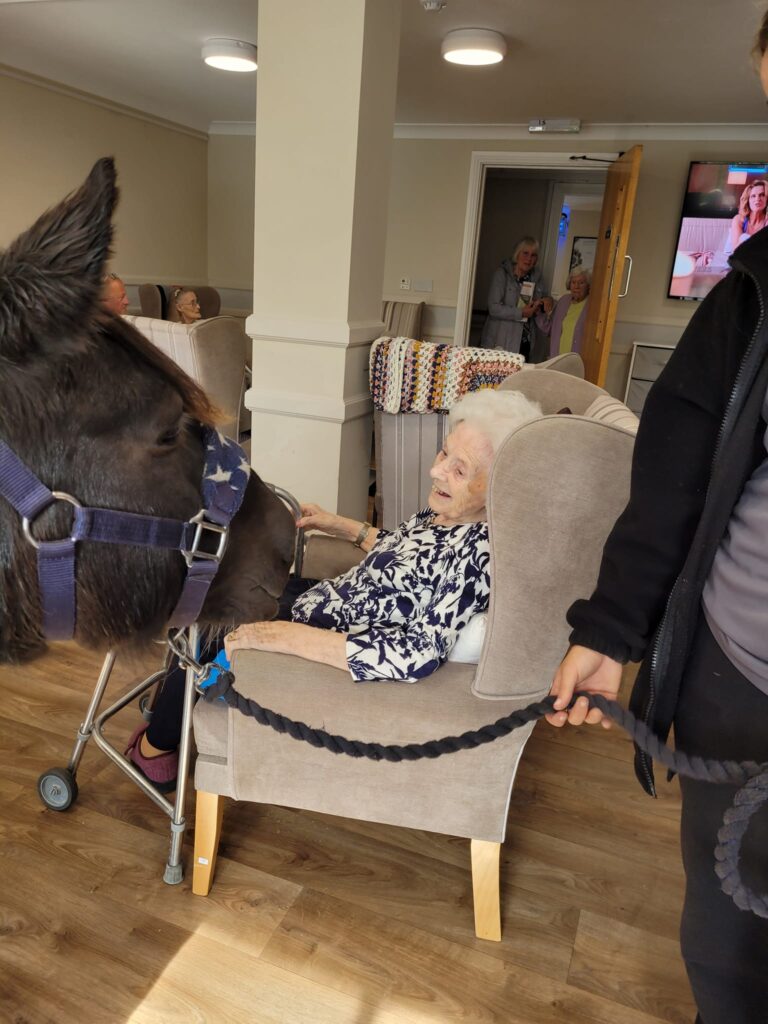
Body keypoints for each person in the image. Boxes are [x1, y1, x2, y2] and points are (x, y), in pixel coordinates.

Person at [546, 14, 768, 1023]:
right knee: (725, 950)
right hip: (740, 682)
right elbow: (672, 460)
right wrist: (609, 629)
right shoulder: (754, 290)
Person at [126, 388, 543, 789]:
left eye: (460, 468)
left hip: (326, 629)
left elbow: (416, 655)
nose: (437, 471)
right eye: (444, 451)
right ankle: (174, 704)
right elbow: (407, 558)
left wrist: (291, 636)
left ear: (500, 485)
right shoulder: (452, 512)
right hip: (324, 599)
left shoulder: (479, 555)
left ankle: (155, 751)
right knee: (215, 592)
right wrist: (342, 525)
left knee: (210, 615)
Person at [480, 237, 554, 358]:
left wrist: (547, 300)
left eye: (533, 255)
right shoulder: (502, 274)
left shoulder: (537, 277)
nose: (529, 259)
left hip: (526, 341)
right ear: (517, 254)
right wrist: (521, 313)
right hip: (500, 341)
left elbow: (544, 298)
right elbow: (494, 308)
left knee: (520, 376)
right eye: (525, 253)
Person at [540, 265, 591, 358]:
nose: (577, 286)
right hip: (557, 357)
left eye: (581, 283)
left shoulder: (592, 305)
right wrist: (538, 313)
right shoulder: (563, 301)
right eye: (573, 282)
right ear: (569, 284)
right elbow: (550, 328)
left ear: (588, 285)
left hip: (578, 360)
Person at [726, 178, 767, 255]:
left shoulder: (766, 221)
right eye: (753, 196)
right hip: (738, 259)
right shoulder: (739, 219)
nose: (757, 199)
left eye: (762, 195)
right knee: (744, 237)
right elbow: (736, 251)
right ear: (748, 200)